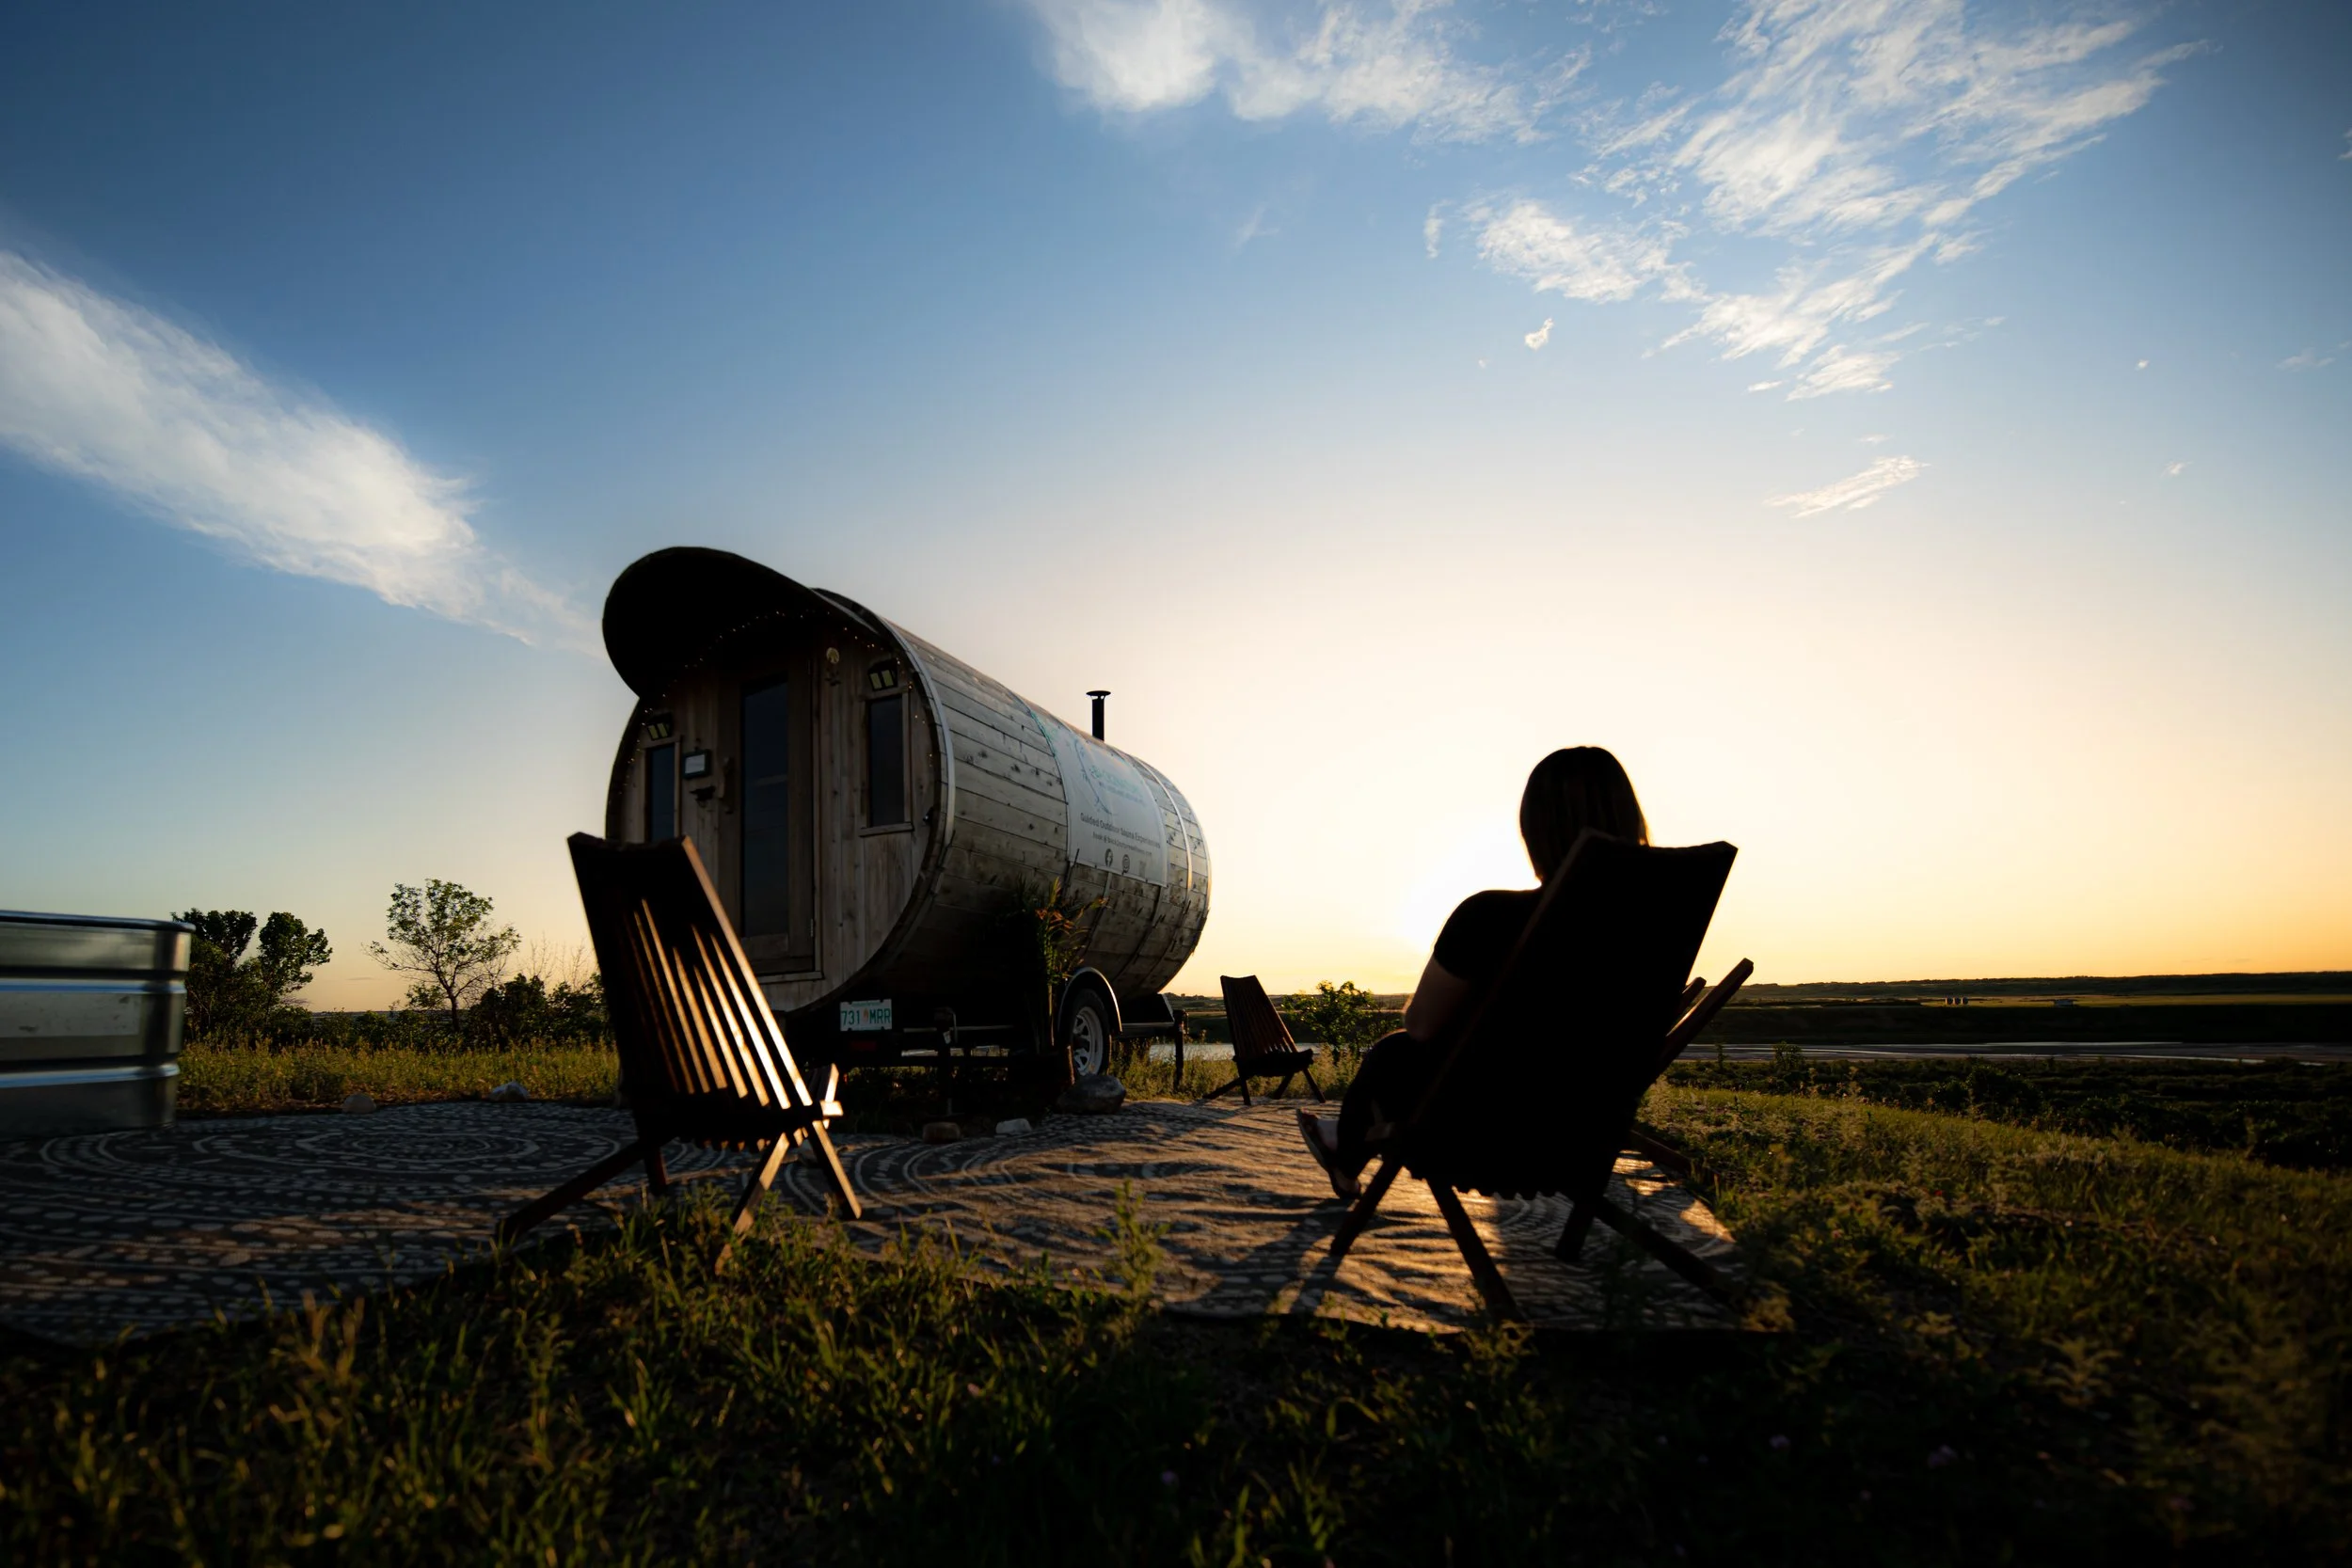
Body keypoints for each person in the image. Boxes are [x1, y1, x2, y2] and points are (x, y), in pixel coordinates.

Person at [1296, 746, 1649, 1200]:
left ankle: (1344, 1149)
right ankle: (1342, 1142)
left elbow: (1421, 1025)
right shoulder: (1655, 925)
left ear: (1534, 830)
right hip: (1584, 1135)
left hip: (1491, 1138)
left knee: (1394, 1052)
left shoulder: (1491, 916)